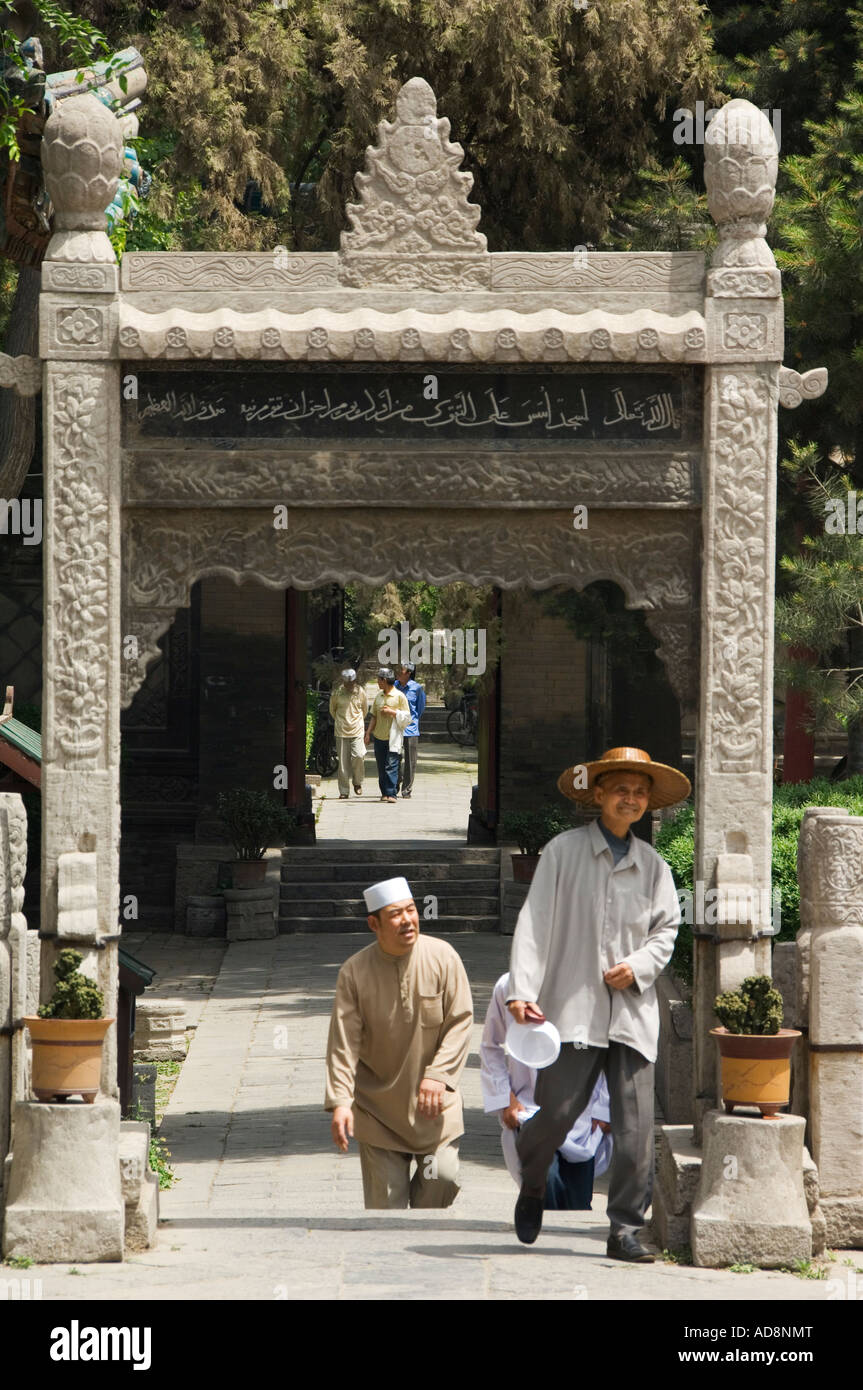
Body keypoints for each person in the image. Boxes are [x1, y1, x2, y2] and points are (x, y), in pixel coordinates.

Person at [507, 746, 689, 1262]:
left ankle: (625, 1228)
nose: (630, 799)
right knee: (556, 1115)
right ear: (600, 795)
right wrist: (522, 991)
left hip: (631, 1013)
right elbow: (535, 924)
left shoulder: (653, 867)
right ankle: (535, 1182)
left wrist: (640, 967)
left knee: (635, 1129)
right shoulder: (563, 852)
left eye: (639, 792)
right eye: (620, 790)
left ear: (647, 803)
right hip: (573, 1008)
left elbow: (666, 929)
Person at [325, 876, 474, 1208]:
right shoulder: (354, 973)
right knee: (386, 1211)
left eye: (411, 910)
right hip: (378, 1114)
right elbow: (343, 1044)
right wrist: (340, 1102)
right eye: (396, 914)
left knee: (442, 1179)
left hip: (436, 1112)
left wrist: (439, 1075)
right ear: (374, 923)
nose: (408, 920)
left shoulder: (443, 957)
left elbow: (460, 1021)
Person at [481, 972, 612, 1209]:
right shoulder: (510, 986)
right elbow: (491, 1046)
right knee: (544, 1184)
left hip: (583, 1115)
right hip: (530, 1110)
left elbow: (612, 1048)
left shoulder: (594, 983)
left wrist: (605, 1107)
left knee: (577, 1201)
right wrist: (505, 1098)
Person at [365, 667, 410, 803]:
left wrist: (393, 712)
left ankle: (392, 793)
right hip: (379, 737)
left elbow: (407, 717)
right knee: (381, 767)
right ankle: (384, 792)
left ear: (384, 680)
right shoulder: (378, 696)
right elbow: (374, 717)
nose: (377, 682)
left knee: (391, 765)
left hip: (393, 737)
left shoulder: (399, 696)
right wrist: (368, 733)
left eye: (378, 679)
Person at [329, 668, 368, 798]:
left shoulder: (360, 692)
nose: (349, 685)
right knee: (343, 763)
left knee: (358, 755)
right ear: (343, 681)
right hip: (341, 730)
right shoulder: (337, 693)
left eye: (351, 682)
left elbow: (365, 710)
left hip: (357, 729)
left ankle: (357, 782)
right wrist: (340, 721)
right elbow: (332, 710)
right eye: (347, 682)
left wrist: (357, 721)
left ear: (355, 680)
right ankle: (344, 791)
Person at [395, 662, 426, 798]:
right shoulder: (394, 686)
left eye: (401, 670)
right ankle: (395, 782)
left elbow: (420, 709)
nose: (398, 672)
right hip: (395, 728)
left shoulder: (417, 688)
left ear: (408, 673)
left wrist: (411, 721)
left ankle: (407, 789)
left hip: (410, 729)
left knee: (410, 761)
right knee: (393, 758)